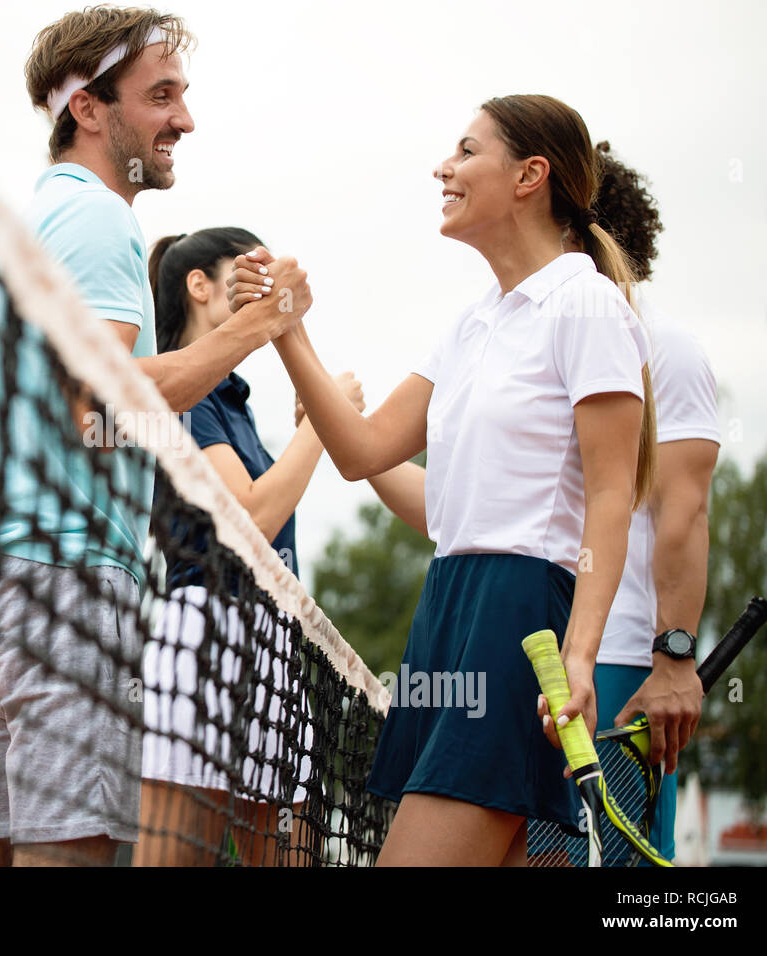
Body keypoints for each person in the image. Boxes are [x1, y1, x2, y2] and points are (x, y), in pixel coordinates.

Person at [229, 94, 656, 865]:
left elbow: (612, 497)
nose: (442, 168)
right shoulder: (470, 322)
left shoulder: (587, 304)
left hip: (519, 616)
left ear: (531, 175)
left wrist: (583, 656)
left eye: (465, 151)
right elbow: (361, 450)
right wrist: (285, 328)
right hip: (448, 605)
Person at [0, 8, 312, 867]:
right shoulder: (103, 222)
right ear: (89, 108)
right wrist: (261, 323)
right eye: (162, 96)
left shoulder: (35, 222)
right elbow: (101, 414)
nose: (184, 119)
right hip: (66, 585)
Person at [363, 143, 720, 863]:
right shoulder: (501, 328)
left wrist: (675, 659)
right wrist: (362, 454)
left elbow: (680, 517)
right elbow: (455, 511)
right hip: (532, 650)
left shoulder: (661, 347)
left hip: (615, 665)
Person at [133, 226, 365, 866]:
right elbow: (251, 521)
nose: (264, 277)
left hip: (273, 639)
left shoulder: (235, 401)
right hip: (204, 631)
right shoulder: (185, 390)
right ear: (200, 284)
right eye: (245, 265)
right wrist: (320, 427)